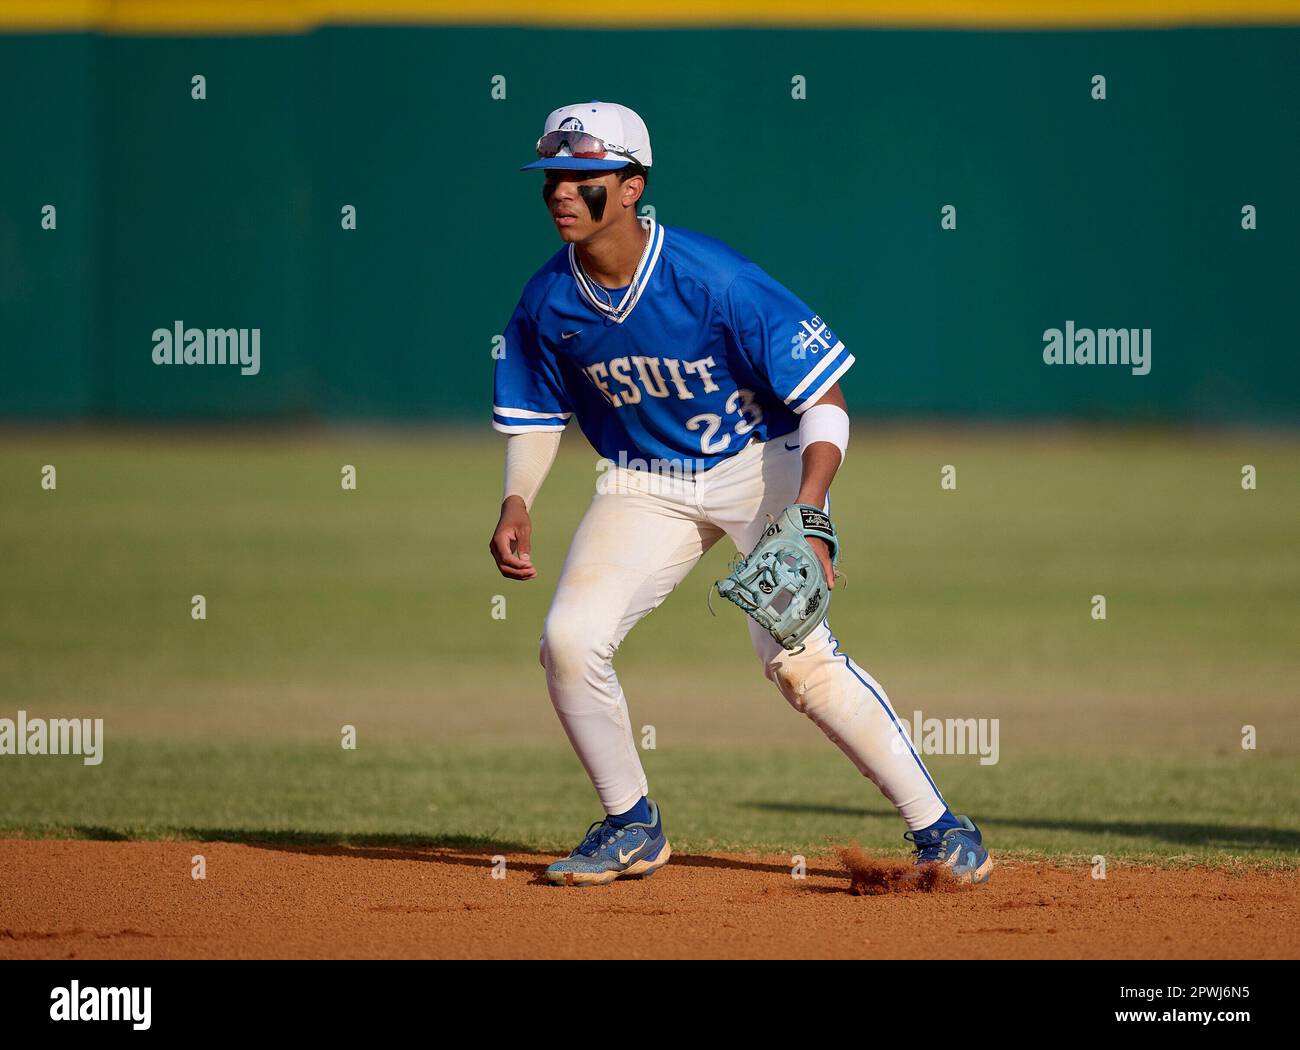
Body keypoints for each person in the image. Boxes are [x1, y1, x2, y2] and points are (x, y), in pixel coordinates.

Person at [489, 100, 992, 887]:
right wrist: (518, 500)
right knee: (570, 640)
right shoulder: (546, 301)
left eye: (582, 175)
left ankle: (943, 832)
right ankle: (632, 825)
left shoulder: (714, 279)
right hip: (644, 481)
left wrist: (812, 508)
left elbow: (826, 399)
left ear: (629, 186)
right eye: (553, 174)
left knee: (800, 665)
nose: (560, 190)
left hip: (761, 464)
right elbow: (535, 413)